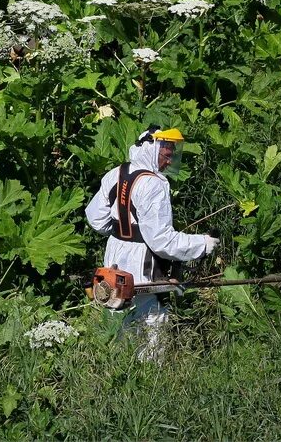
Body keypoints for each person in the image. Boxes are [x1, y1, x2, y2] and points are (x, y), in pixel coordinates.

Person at [84, 126, 219, 361]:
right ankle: (150, 379)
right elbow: (162, 242)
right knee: (153, 321)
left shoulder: (116, 173)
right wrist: (202, 244)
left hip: (114, 259)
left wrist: (121, 233)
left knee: (118, 315)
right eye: (166, 155)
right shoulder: (154, 184)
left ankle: (119, 368)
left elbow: (95, 218)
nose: (169, 162)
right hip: (144, 266)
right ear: (152, 148)